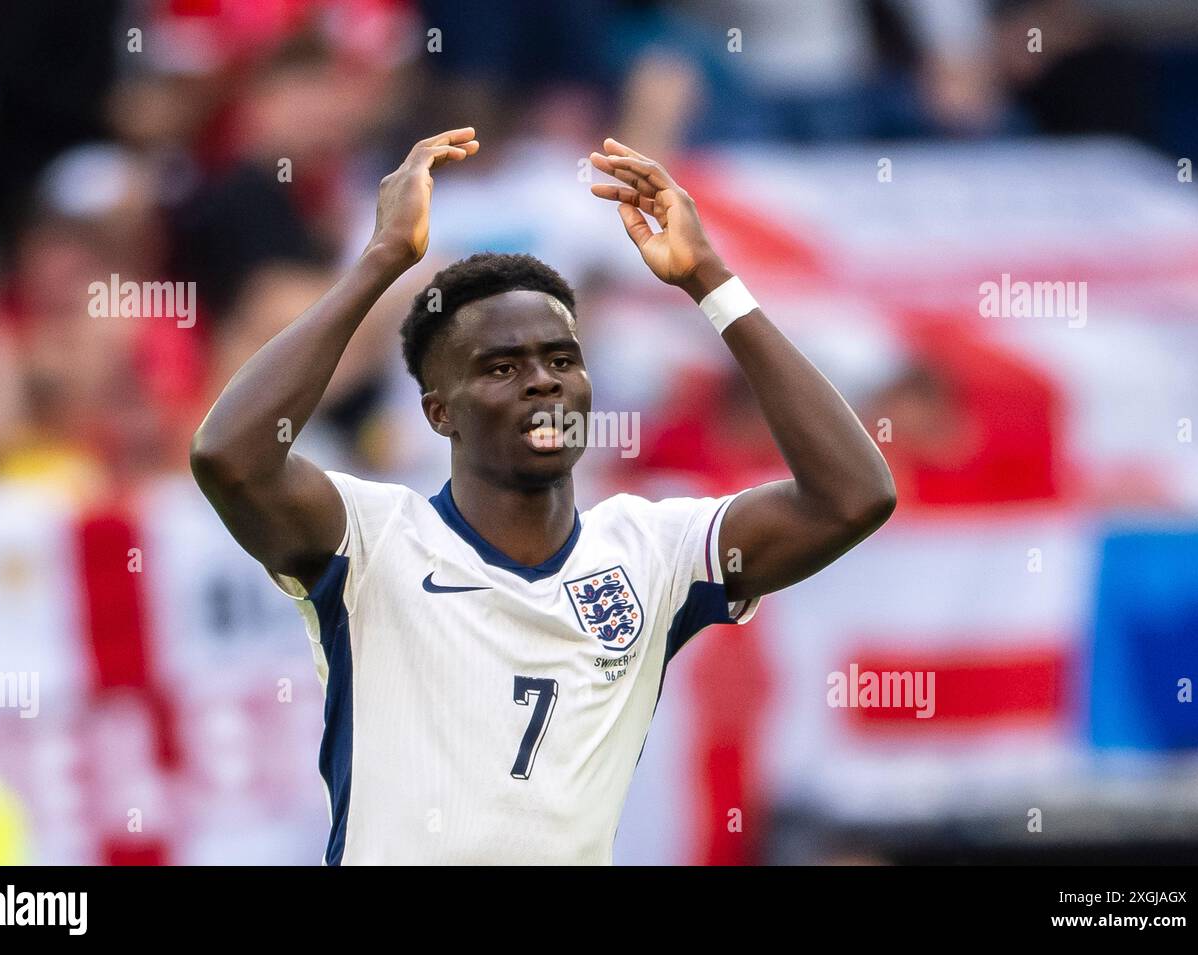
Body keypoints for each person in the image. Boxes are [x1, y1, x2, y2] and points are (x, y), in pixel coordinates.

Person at [189, 127, 896, 865]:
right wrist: (379, 262)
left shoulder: (652, 551)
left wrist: (710, 281)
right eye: (501, 367)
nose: (542, 380)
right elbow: (230, 456)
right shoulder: (371, 541)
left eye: (562, 358)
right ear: (439, 412)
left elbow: (852, 497)